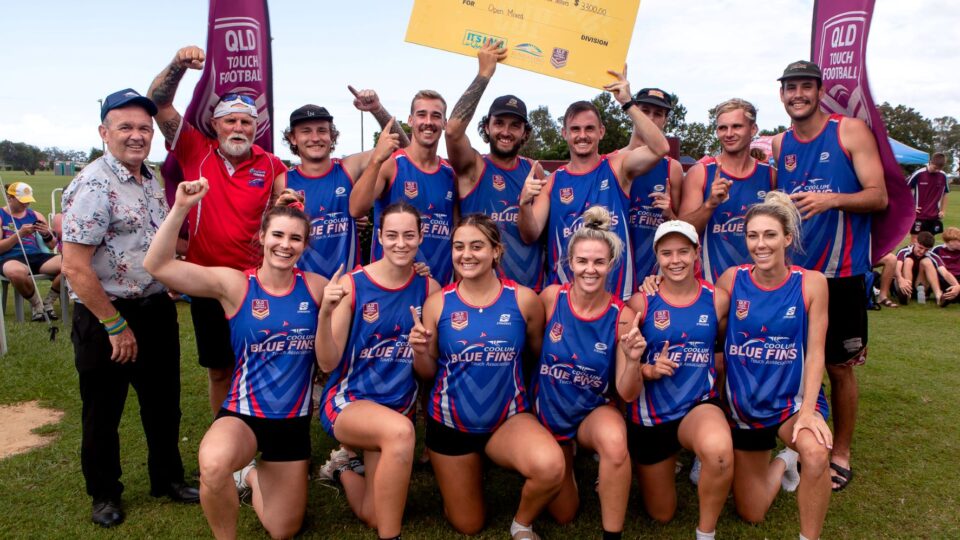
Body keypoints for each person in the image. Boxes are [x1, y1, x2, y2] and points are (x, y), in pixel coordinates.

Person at [144, 178, 326, 539]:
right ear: (262, 237)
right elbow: (158, 265)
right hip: (243, 414)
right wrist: (181, 207)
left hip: (292, 423)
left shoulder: (317, 287)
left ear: (305, 245)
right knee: (212, 465)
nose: (284, 245)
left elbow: (369, 289)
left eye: (295, 238)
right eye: (277, 235)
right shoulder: (236, 284)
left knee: (283, 530)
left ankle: (256, 475)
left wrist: (416, 273)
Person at [60, 89, 199, 528]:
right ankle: (104, 494)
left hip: (154, 309)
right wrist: (115, 326)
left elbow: (153, 244)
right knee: (104, 411)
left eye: (144, 128)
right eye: (126, 127)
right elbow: (75, 266)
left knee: (163, 404)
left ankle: (168, 479)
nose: (137, 136)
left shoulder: (151, 179)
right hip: (107, 315)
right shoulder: (93, 185)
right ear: (104, 132)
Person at [148, 45, 288, 414]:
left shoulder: (272, 164)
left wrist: (287, 206)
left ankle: (260, 432)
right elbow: (158, 104)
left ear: (257, 128)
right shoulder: (195, 148)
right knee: (219, 371)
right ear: (215, 124)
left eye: (247, 122)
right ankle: (225, 442)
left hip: (254, 284)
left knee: (260, 365)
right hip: (206, 282)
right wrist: (177, 64)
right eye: (231, 121)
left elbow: (288, 209)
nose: (239, 128)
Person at [409, 214, 564, 540]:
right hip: (451, 424)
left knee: (551, 467)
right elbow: (427, 373)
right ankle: (466, 470)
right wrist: (421, 351)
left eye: (477, 246)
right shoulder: (437, 303)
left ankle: (521, 525)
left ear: (496, 251)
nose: (466, 254)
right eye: (459, 246)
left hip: (507, 419)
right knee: (469, 524)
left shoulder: (523, 300)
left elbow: (535, 356)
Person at [772, 60, 887, 492]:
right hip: (794, 274)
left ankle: (841, 450)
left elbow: (878, 196)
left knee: (839, 366)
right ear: (780, 94)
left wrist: (831, 199)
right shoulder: (781, 144)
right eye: (790, 88)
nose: (797, 95)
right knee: (792, 360)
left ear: (819, 91)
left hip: (840, 273)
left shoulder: (849, 130)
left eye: (805, 87)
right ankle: (795, 440)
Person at [315, 202, 440, 539]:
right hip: (350, 403)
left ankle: (342, 469)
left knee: (374, 513)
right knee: (400, 434)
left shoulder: (429, 289)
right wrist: (326, 312)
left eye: (409, 236)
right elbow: (327, 363)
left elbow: (427, 373)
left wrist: (420, 350)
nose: (401, 243)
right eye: (393, 235)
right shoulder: (354, 285)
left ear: (420, 237)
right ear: (380, 237)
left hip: (396, 407)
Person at [716, 191, 832, 540]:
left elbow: (815, 353)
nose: (760, 244)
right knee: (751, 513)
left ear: (787, 238)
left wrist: (809, 412)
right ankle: (784, 460)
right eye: (752, 235)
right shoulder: (732, 279)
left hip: (790, 405)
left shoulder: (811, 283)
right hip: (744, 407)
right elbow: (694, 308)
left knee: (814, 453)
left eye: (769, 235)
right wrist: (654, 283)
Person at [531, 206, 646, 540]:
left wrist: (634, 359)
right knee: (565, 514)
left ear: (611, 264)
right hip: (550, 414)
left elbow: (627, 393)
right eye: (582, 261)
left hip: (591, 412)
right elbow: (534, 350)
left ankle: (612, 534)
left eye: (599, 262)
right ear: (570, 263)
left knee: (613, 440)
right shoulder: (552, 298)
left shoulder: (622, 316)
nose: (590, 269)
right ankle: (569, 465)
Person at [517, 66, 670, 300]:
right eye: (575, 129)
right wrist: (524, 204)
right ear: (564, 134)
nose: (582, 135)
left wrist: (628, 103)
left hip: (616, 296)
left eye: (589, 129)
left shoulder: (617, 167)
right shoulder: (553, 181)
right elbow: (530, 234)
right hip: (566, 299)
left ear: (601, 132)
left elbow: (661, 148)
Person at [622, 220, 732, 540]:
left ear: (697, 253)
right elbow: (626, 367)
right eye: (667, 253)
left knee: (720, 452)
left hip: (697, 404)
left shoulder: (717, 299)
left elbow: (723, 348)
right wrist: (648, 369)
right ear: (656, 256)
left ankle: (705, 532)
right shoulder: (641, 302)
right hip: (651, 414)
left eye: (684, 251)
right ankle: (666, 461)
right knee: (661, 514)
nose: (676, 260)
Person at [445, 40, 546, 290]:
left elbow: (534, 234)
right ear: (487, 127)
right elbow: (453, 131)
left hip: (527, 295)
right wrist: (483, 75)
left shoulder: (535, 170)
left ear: (525, 133)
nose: (506, 132)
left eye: (515, 125)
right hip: (476, 296)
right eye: (499, 123)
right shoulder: (474, 167)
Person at [283, 89, 410, 279]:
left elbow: (403, 147)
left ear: (332, 136)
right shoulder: (283, 181)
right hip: (302, 289)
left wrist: (377, 109)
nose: (315, 138)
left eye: (322, 130)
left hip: (348, 288)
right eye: (306, 131)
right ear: (293, 138)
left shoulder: (349, 167)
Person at [351, 90, 457, 284]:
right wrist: (375, 160)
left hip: (439, 288)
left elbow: (457, 230)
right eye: (421, 114)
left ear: (444, 123)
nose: (428, 122)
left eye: (436, 116)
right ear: (410, 120)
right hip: (391, 287)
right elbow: (356, 208)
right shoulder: (392, 164)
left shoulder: (450, 173)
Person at [680, 98, 776, 282]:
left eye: (737, 126)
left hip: (758, 284)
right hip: (711, 284)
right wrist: (710, 204)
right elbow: (683, 233)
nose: (729, 134)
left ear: (753, 129)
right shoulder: (700, 172)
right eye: (722, 128)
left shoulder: (770, 175)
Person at [622, 87, 685, 284]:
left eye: (658, 114)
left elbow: (680, 227)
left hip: (655, 273)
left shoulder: (672, 168)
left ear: (665, 120)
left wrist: (670, 215)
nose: (650, 118)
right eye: (645, 111)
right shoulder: (614, 160)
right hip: (619, 267)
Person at [1, 181, 61, 320]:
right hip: (10, 258)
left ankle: (48, 303)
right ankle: (37, 306)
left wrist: (46, 234)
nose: (26, 204)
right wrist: (19, 234)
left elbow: (52, 245)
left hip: (36, 256)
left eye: (28, 201)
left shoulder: (36, 215)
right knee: (15, 272)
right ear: (10, 198)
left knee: (71, 264)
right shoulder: (1, 215)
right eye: (22, 201)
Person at [907, 152, 949, 240]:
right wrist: (911, 206)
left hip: (934, 216)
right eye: (935, 168)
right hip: (919, 215)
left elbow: (945, 193)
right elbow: (906, 190)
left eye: (939, 169)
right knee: (915, 242)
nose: (937, 171)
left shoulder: (943, 176)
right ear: (930, 162)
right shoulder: (919, 174)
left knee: (928, 243)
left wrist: (943, 211)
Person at [893, 231, 942, 305]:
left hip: (921, 284)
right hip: (903, 283)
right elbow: (897, 267)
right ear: (915, 242)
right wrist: (900, 279)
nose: (922, 252)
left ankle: (938, 295)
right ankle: (907, 294)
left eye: (926, 250)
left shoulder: (931, 255)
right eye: (920, 248)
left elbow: (944, 272)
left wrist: (957, 285)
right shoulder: (904, 251)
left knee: (926, 262)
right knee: (908, 261)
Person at [931, 226, 960, 306]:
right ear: (951, 242)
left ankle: (950, 296)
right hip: (945, 278)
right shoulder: (937, 250)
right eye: (959, 241)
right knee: (949, 287)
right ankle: (947, 297)